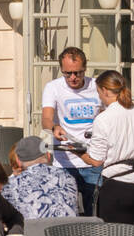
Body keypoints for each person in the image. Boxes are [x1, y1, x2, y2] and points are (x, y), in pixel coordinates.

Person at [81, 70, 134, 227]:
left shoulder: (104, 119)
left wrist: (77, 152)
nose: (99, 97)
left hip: (119, 188)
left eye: (98, 92)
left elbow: (96, 161)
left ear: (105, 90)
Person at [41, 46, 101, 214]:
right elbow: (46, 118)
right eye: (68, 73)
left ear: (85, 69)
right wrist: (54, 127)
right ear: (61, 70)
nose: (73, 78)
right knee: (64, 212)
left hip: (93, 159)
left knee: (95, 212)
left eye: (78, 73)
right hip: (64, 160)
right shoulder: (53, 87)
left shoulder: (96, 86)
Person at [2, 136, 81, 219]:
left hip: (33, 231)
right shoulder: (68, 177)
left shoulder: (10, 185)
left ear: (18, 161)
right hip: (71, 230)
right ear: (48, 155)